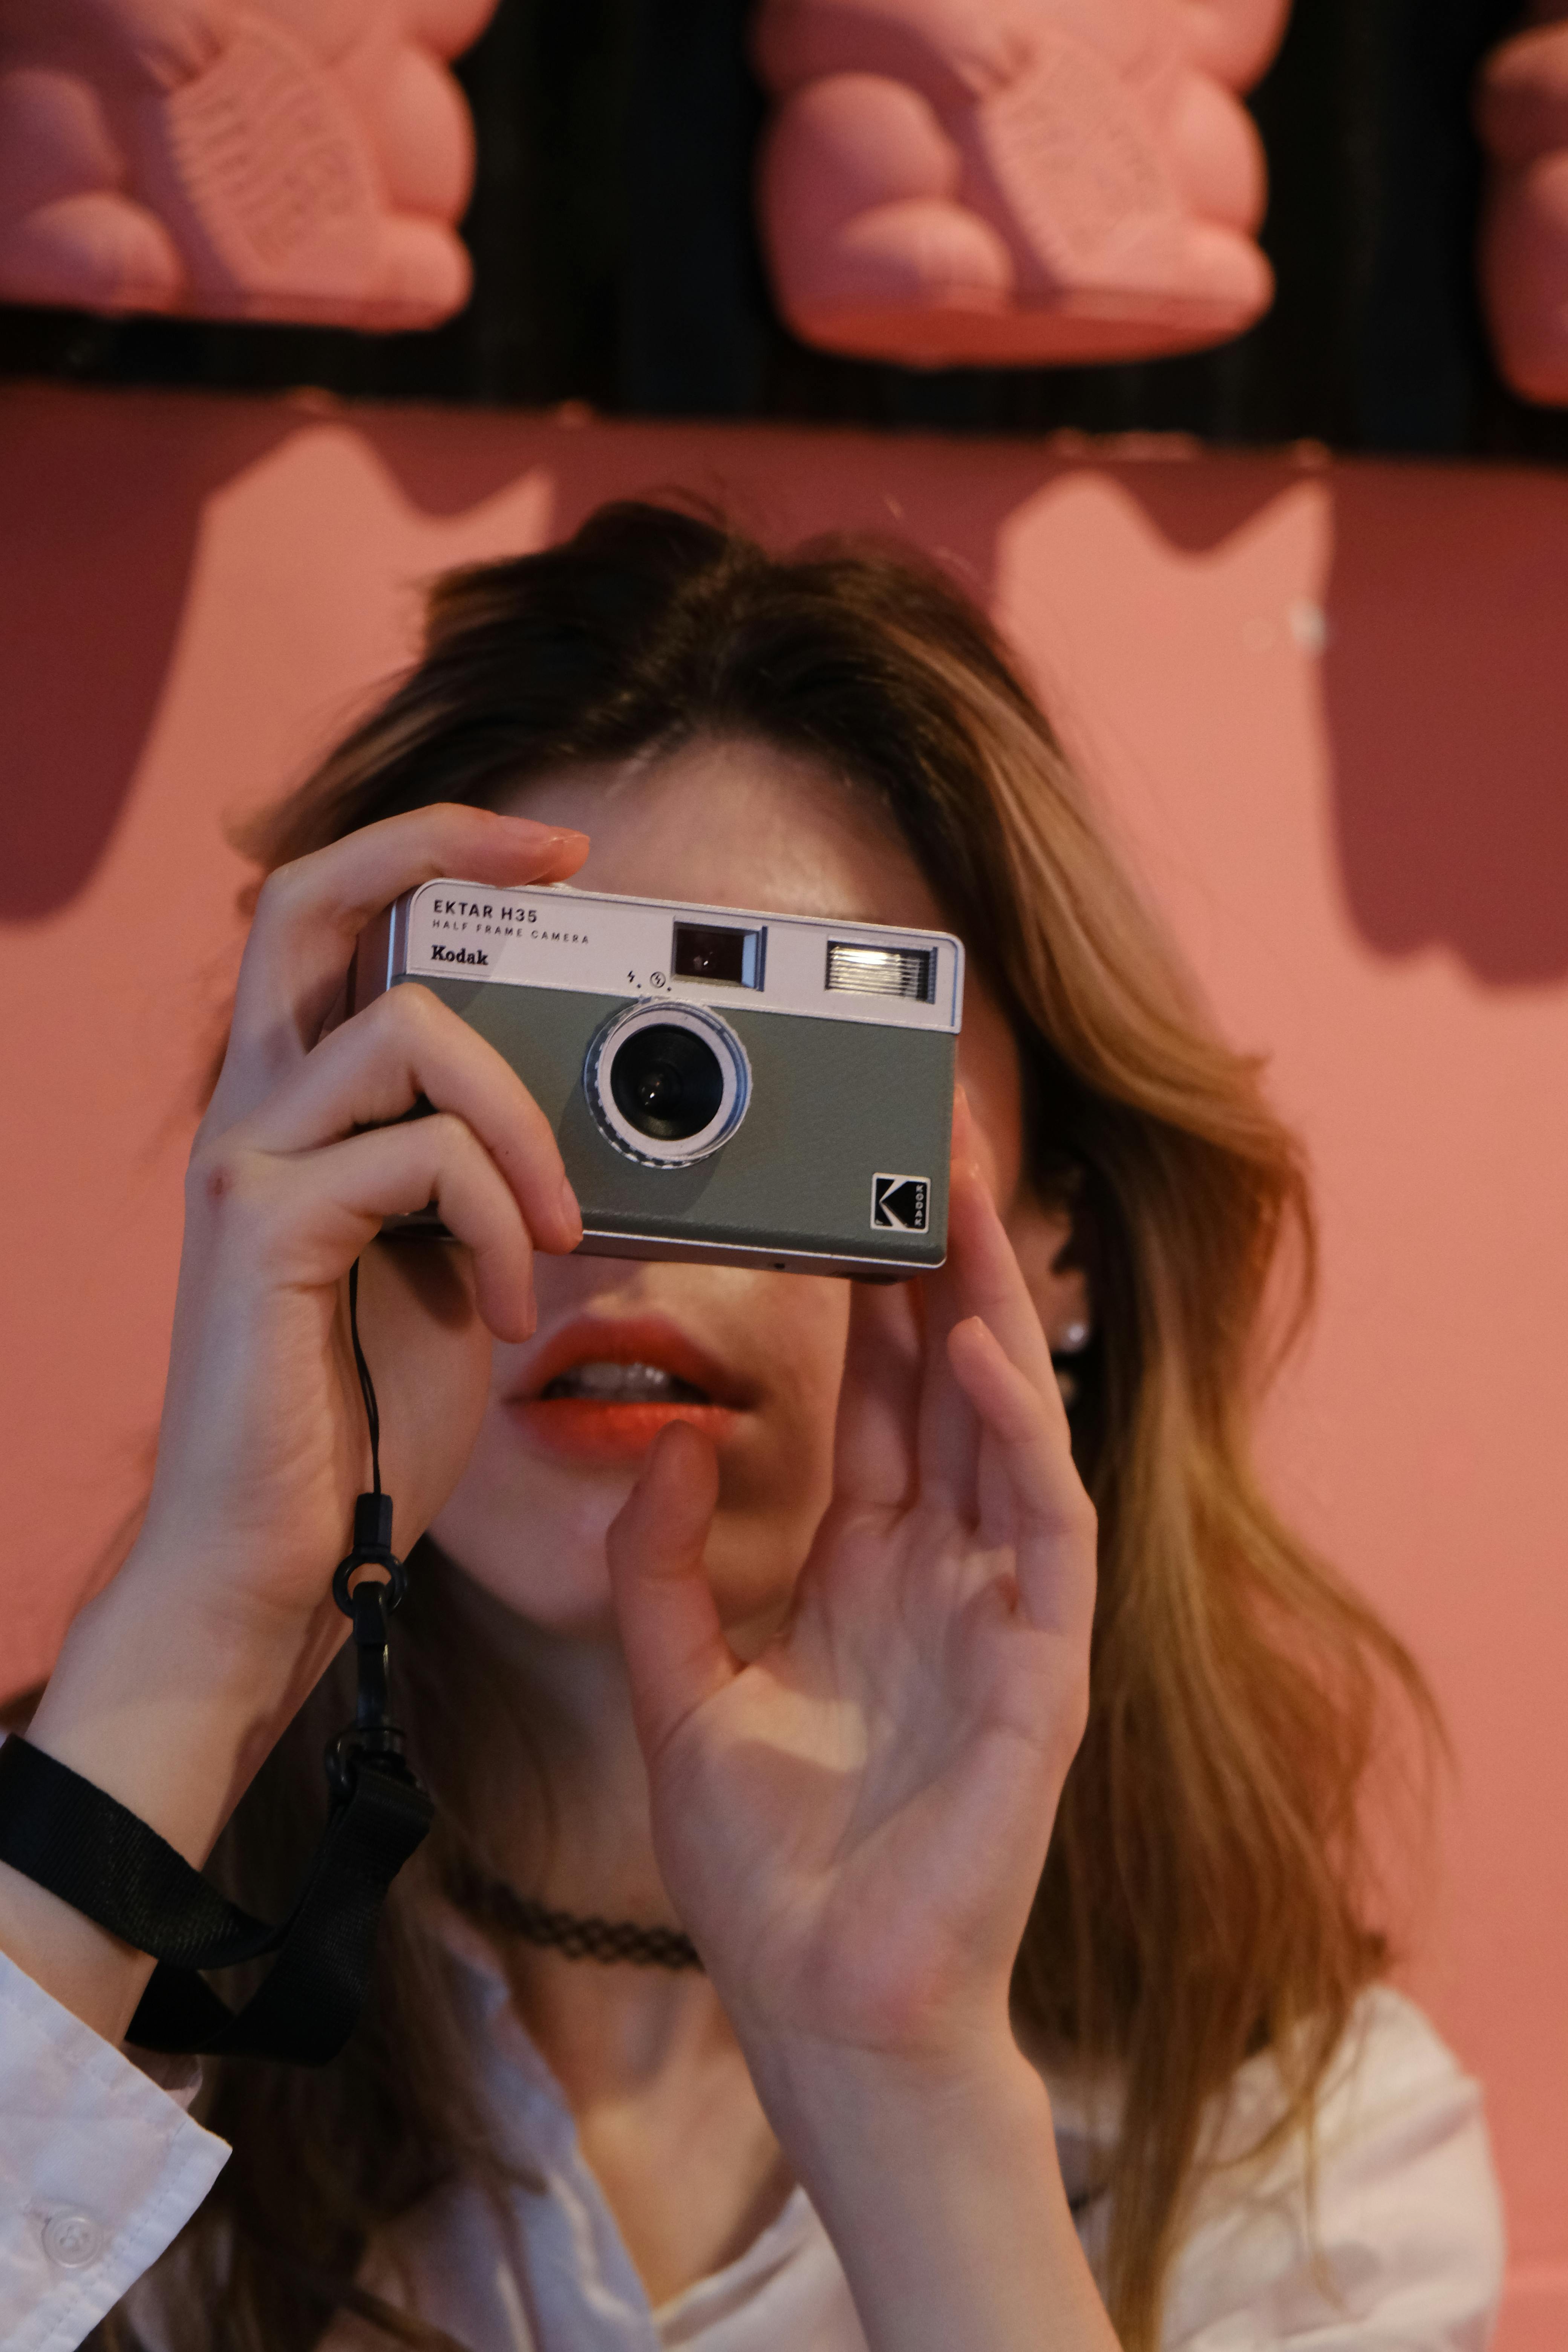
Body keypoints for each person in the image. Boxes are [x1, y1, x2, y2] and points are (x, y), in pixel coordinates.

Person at [0, 501, 1502, 2352]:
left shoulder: (1310, 2146)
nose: (624, 1215)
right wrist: (201, 1634)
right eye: (544, 1067)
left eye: (770, 1094)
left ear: (1063, 1247)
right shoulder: (50, 1981)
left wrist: (906, 2089)